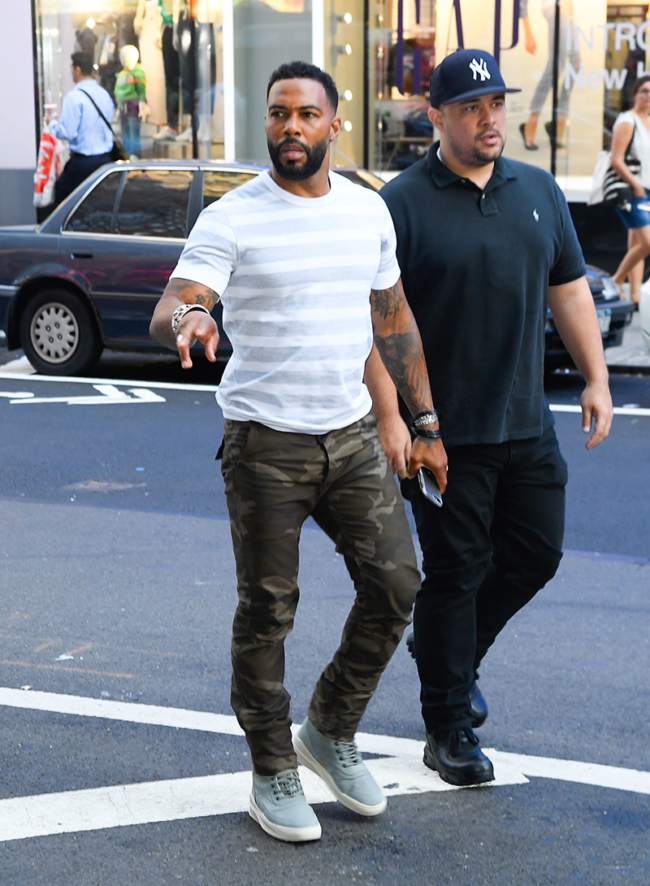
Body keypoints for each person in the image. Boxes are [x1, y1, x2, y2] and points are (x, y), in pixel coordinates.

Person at [149, 61, 447, 842]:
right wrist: (190, 320)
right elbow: (177, 299)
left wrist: (422, 423)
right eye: (279, 112)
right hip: (265, 444)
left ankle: (329, 729)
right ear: (268, 124)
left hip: (350, 437)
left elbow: (390, 318)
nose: (291, 126)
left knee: (397, 583)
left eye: (307, 114)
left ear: (332, 125)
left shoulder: (367, 211)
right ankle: (272, 766)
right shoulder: (234, 217)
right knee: (268, 610)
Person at [377, 48, 613, 787]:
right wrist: (402, 422)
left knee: (536, 554)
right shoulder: (400, 203)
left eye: (496, 105)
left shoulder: (537, 189)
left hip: (526, 421)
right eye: (471, 107)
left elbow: (568, 289)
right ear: (436, 117)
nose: (489, 119)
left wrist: (597, 379)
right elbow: (380, 321)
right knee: (456, 571)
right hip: (443, 433)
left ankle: (449, 650)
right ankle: (447, 725)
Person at [46, 52, 115, 208]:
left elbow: (67, 132)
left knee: (62, 199)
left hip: (82, 163)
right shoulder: (104, 94)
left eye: (71, 68)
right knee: (100, 203)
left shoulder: (74, 97)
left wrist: (51, 123)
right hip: (105, 160)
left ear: (77, 69)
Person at [609, 75, 650, 310]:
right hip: (634, 191)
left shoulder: (648, 121)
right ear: (634, 94)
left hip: (646, 190)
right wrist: (636, 185)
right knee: (647, 243)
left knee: (637, 244)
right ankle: (617, 279)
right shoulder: (627, 120)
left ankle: (635, 297)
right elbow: (616, 159)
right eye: (644, 90)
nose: (648, 96)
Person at [519, 0, 578, 151]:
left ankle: (556, 124)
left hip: (569, 13)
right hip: (556, 11)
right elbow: (521, 2)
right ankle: (530, 125)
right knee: (556, 66)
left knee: (576, 64)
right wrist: (528, 33)